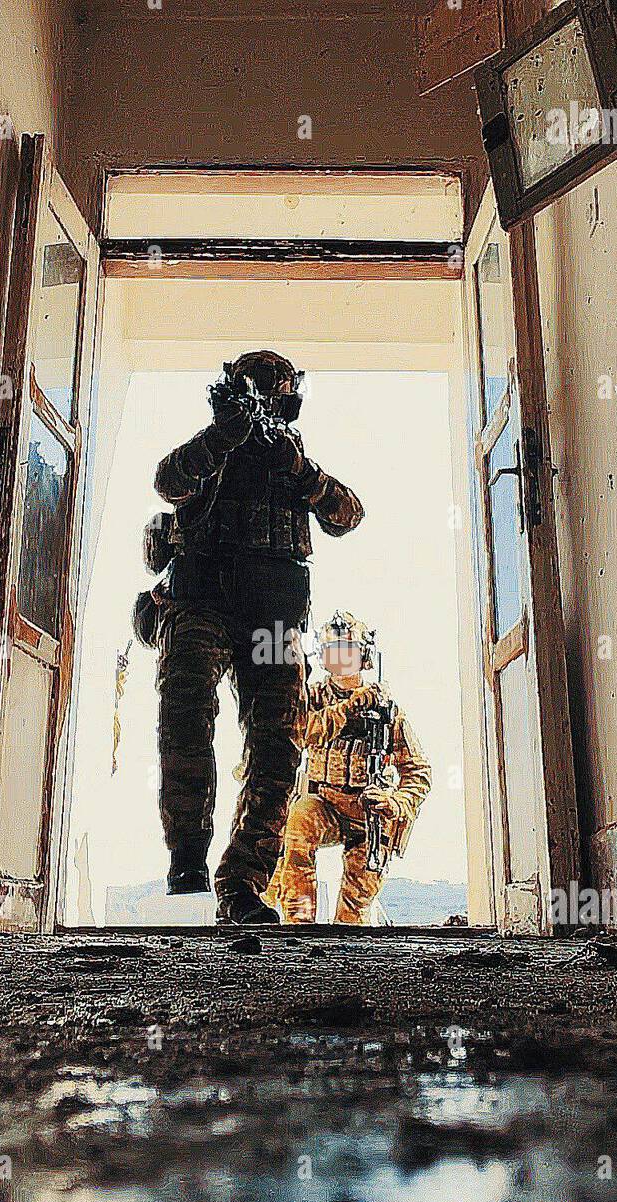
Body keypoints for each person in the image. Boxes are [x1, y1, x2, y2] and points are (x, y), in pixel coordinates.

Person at [153, 351, 364, 926]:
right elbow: (166, 481)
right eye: (263, 395)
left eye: (280, 396)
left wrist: (303, 474)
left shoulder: (291, 461)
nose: (271, 408)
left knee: (277, 747)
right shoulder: (212, 449)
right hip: (207, 602)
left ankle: (243, 882)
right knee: (185, 707)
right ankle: (188, 852)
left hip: (273, 616)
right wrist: (220, 439)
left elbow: (349, 515)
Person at [272, 611, 431, 925]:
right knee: (299, 820)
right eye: (332, 650)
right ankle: (298, 927)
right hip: (324, 804)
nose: (340, 657)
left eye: (348, 649)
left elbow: (418, 771)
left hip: (369, 815)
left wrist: (396, 803)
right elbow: (301, 732)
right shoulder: (312, 697)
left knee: (353, 914)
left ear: (364, 655)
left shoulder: (386, 709)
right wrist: (350, 708)